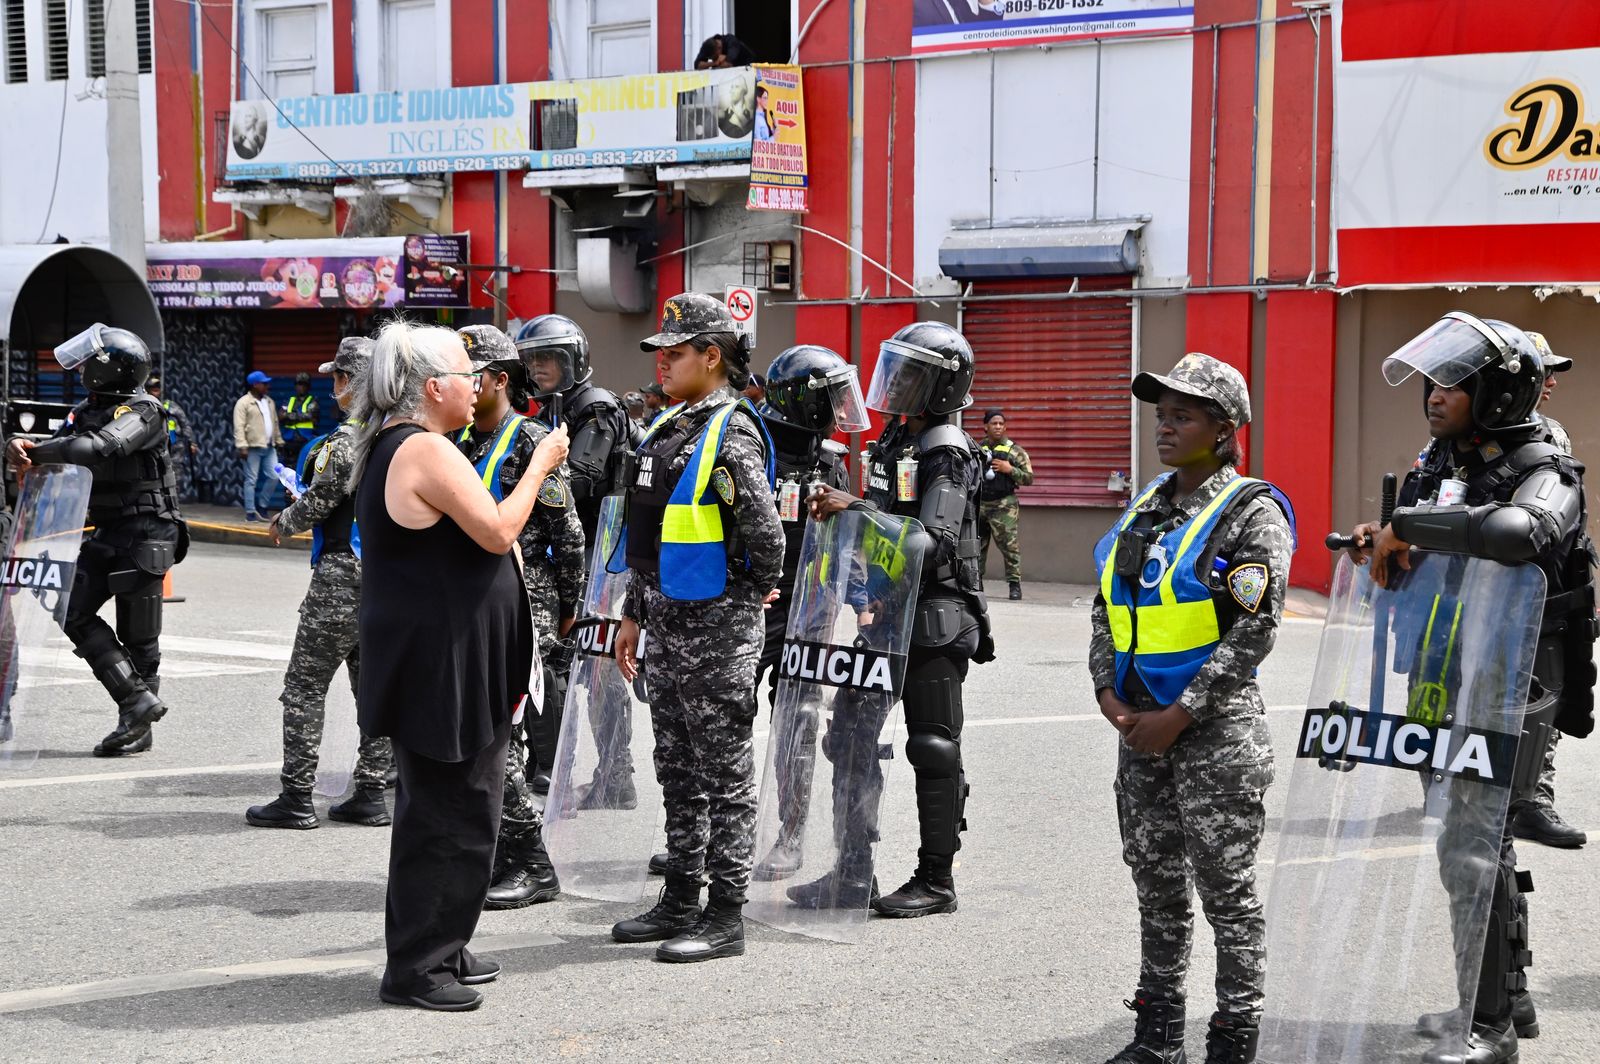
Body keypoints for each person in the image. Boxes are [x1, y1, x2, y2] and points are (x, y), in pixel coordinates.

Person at [1351, 313, 1594, 1064]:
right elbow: (1424, 539)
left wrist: (1410, 530)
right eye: (1434, 378)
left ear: (1496, 390)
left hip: (1510, 675)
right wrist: (1379, 540)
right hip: (1439, 663)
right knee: (1458, 837)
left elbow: (1520, 534)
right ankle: (1498, 998)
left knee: (1475, 838)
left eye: (1456, 381)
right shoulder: (1441, 458)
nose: (1436, 392)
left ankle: (1488, 1027)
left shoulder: (1544, 463)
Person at [348, 319, 568, 1012]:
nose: (477, 386)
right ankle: (419, 966)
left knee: (456, 800)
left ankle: (446, 937)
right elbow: (500, 528)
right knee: (453, 809)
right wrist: (540, 463)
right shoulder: (421, 449)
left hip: (443, 650)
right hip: (441, 657)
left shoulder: (411, 444)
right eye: (467, 375)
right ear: (433, 386)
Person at [1090, 352, 1295, 1064]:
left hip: (1214, 737)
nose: (1165, 427)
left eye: (1183, 415)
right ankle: (1157, 1034)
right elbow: (1107, 606)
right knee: (1156, 889)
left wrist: (1181, 714)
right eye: (1162, 414)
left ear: (1226, 427)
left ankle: (1234, 1040)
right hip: (1139, 728)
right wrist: (1110, 698)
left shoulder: (1251, 513)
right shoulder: (1148, 506)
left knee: (1228, 897)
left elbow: (1256, 628)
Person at [608, 293, 784, 963]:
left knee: (725, 778)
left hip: (716, 631)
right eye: (660, 354)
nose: (662, 364)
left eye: (675, 353)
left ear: (712, 358)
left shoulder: (729, 431)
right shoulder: (668, 426)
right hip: (665, 626)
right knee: (677, 771)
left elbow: (767, 540)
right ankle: (682, 895)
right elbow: (645, 536)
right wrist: (632, 614)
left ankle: (725, 913)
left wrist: (737, 598)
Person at [801, 321, 995, 918]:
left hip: (937, 614)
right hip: (888, 611)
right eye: (897, 368)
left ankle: (937, 881)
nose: (899, 382)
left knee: (933, 746)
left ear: (941, 387)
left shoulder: (946, 449)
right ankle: (852, 872)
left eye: (913, 373)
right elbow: (887, 532)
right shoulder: (896, 440)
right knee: (849, 737)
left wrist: (853, 507)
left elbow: (934, 542)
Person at [6, 324, 187, 756]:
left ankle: (136, 727)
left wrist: (40, 452)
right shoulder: (91, 408)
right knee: (69, 606)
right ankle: (136, 700)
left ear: (110, 369)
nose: (84, 367)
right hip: (108, 530)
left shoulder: (146, 412)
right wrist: (19, 443)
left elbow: (96, 449)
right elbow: (58, 444)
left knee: (139, 636)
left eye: (91, 361)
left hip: (148, 531)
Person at [455, 324, 584, 909]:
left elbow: (569, 536)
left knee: (496, 738)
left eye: (469, 374)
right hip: (470, 603)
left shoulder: (531, 441)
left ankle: (530, 860)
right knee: (481, 736)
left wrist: (565, 614)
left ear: (500, 381)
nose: (459, 384)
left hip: (522, 605)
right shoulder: (458, 440)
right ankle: (503, 852)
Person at [246, 338, 393, 831]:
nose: (333, 388)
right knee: (371, 687)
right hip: (387, 577)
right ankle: (371, 791)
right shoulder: (402, 436)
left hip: (341, 575)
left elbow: (322, 499)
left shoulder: (347, 442)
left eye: (338, 378)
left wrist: (283, 521)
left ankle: (296, 797)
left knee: (304, 687)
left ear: (352, 382)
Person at [516, 314, 640, 792]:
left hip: (600, 556)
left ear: (573, 361)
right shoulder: (556, 409)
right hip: (579, 552)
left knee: (590, 667)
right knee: (581, 665)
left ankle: (601, 773)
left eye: (550, 358)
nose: (541, 367)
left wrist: (529, 477)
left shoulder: (594, 408)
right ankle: (604, 774)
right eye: (534, 360)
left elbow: (581, 480)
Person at [1506, 332, 1586, 849]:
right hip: (1474, 595)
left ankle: (1533, 798)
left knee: (1539, 704)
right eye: (1543, 370)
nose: (1551, 381)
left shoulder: (1549, 434)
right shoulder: (1454, 439)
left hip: (1533, 594)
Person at [976, 409, 1034, 600]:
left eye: (1001, 424)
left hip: (1004, 506)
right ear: (986, 426)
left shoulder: (1014, 450)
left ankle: (1014, 585)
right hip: (980, 504)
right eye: (994, 423)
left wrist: (1009, 470)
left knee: (1010, 548)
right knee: (976, 547)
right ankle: (976, 584)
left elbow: (1028, 478)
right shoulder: (977, 448)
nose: (998, 427)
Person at [234, 370, 283, 521]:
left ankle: (262, 506)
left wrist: (279, 440)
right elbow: (239, 425)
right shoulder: (243, 402)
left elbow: (274, 423)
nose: (267, 385)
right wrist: (242, 446)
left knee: (275, 476)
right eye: (264, 383)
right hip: (252, 447)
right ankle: (250, 512)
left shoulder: (269, 401)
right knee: (251, 479)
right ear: (255, 385)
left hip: (269, 446)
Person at [146, 374, 198, 501]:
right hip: (153, 447)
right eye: (153, 388)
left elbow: (184, 423)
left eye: (158, 388)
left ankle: (173, 504)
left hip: (174, 447)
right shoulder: (144, 406)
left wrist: (192, 442)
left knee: (175, 477)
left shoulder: (170, 406)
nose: (156, 390)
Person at [279, 371, 320, 469]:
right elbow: (281, 416)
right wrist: (300, 416)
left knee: (304, 469)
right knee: (288, 471)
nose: (301, 387)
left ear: (308, 386)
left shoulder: (313, 401)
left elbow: (311, 416)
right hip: (289, 441)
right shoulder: (289, 400)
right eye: (299, 384)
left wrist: (289, 416)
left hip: (306, 440)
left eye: (304, 384)